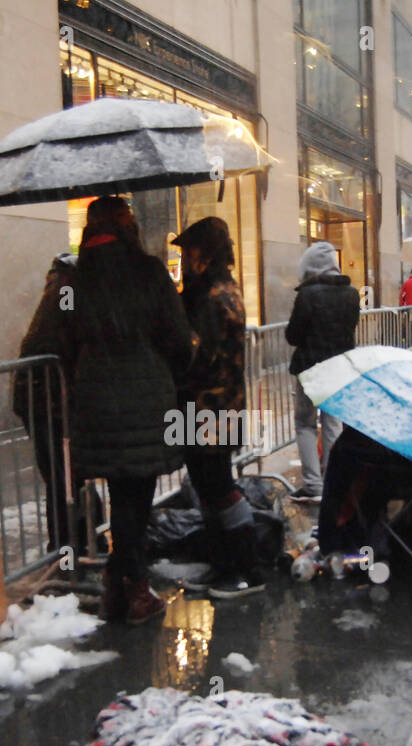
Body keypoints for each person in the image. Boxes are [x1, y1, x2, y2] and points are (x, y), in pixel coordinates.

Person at [56, 197, 194, 623]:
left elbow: (63, 339)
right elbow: (176, 336)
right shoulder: (149, 272)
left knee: (121, 493)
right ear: (124, 225)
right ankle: (132, 588)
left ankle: (119, 586)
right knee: (136, 495)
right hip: (144, 400)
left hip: (97, 401)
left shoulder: (73, 281)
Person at [169, 217, 264, 598]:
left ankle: (246, 570)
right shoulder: (217, 290)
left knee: (218, 486)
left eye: (188, 251)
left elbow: (196, 355)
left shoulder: (211, 297)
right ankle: (222, 565)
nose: (184, 259)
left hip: (209, 409)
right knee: (207, 488)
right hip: (209, 406)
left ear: (204, 253)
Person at [14, 252, 105, 557]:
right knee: (64, 477)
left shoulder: (65, 288)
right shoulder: (66, 291)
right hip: (48, 399)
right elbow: (62, 337)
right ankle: (68, 551)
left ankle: (82, 543)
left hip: (49, 396)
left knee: (70, 475)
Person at [286, 241, 360, 503]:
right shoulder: (351, 293)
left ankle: (313, 485)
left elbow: (293, 335)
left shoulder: (307, 295)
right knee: (332, 423)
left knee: (305, 424)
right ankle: (332, 481)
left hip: (310, 368)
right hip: (339, 368)